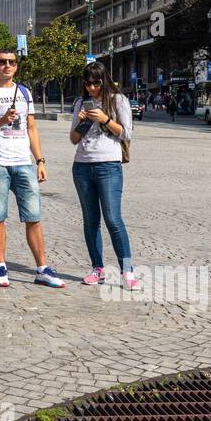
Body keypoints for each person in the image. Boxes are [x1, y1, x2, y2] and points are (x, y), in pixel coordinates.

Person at [0, 47, 63, 289]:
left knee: (33, 216)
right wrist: (1, 121)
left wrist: (40, 160)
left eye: (11, 62)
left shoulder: (24, 92)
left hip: (23, 162)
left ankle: (42, 268)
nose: (7, 66)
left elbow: (31, 128)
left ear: (16, 66)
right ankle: (1, 267)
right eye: (2, 62)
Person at [70, 61, 140, 291]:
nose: (91, 88)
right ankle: (97, 268)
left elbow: (127, 133)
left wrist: (105, 119)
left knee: (113, 219)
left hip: (108, 166)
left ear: (104, 80)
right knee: (90, 221)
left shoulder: (118, 100)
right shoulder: (81, 102)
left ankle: (127, 270)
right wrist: (81, 121)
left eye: (96, 83)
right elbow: (73, 139)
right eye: (88, 83)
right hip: (82, 166)